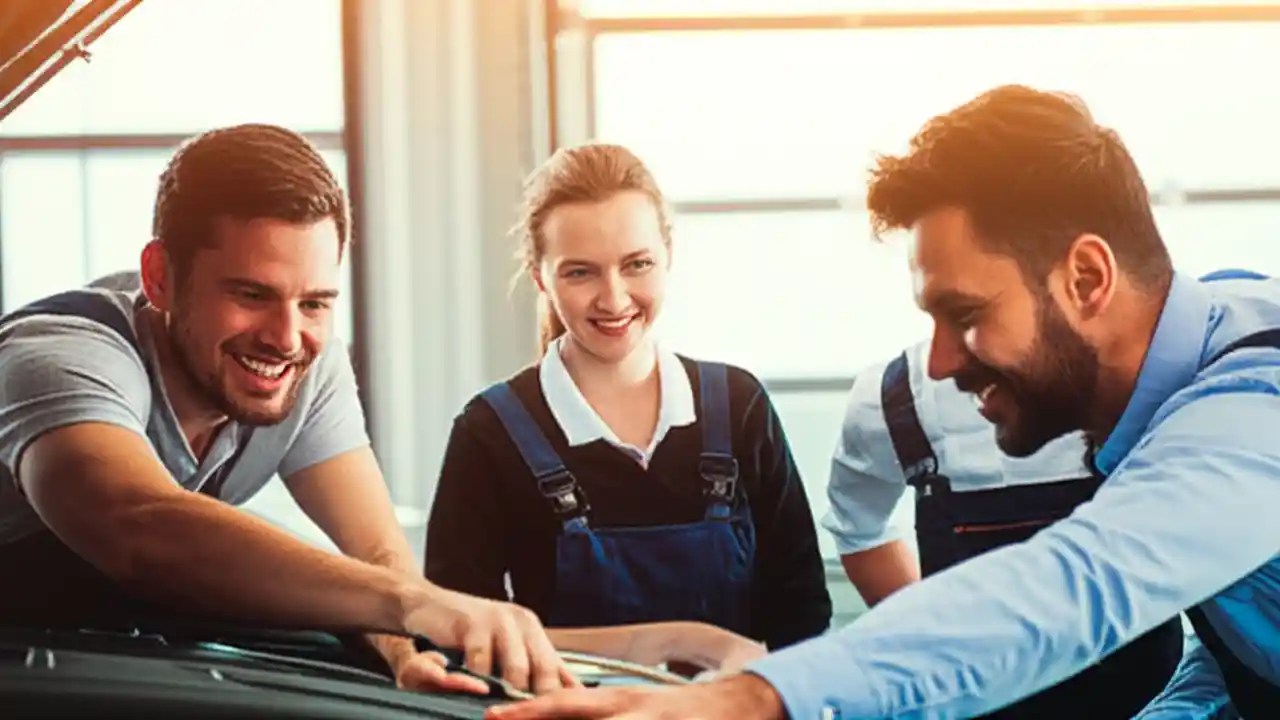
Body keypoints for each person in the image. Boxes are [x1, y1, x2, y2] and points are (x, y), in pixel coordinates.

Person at [482, 84, 1280, 719]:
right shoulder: (1206, 339)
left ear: (1086, 279)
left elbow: (1077, 585)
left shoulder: (1250, 408)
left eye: (965, 316)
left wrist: (746, 701)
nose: (938, 362)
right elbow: (1242, 631)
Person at [0, 123, 576, 698]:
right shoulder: (57, 354)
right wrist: (420, 603)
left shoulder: (306, 364)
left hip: (89, 647)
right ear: (160, 278)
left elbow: (374, 550)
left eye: (315, 303)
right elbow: (141, 526)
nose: (285, 337)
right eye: (251, 295)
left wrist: (405, 656)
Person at [424, 143, 832, 670]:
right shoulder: (490, 432)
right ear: (540, 276)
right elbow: (456, 633)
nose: (614, 299)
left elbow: (803, 616)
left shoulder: (738, 407)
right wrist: (675, 642)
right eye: (580, 273)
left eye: (637, 265)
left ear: (669, 255)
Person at [823, 338, 1184, 717]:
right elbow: (860, 531)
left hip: (1150, 703)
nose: (940, 360)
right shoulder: (893, 398)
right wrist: (932, 646)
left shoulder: (1161, 377)